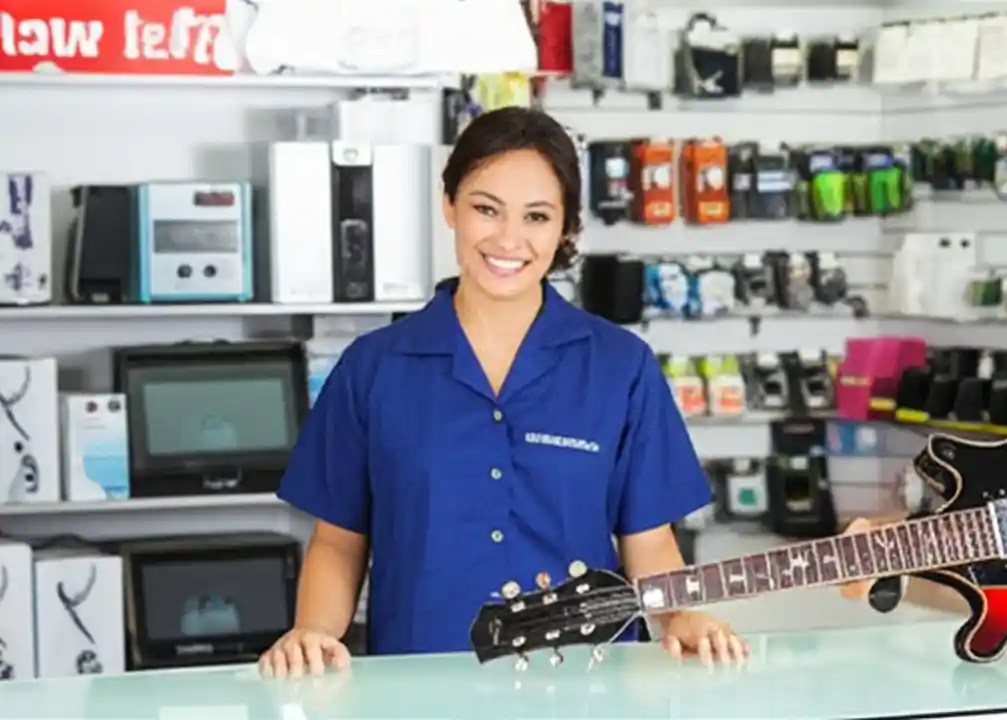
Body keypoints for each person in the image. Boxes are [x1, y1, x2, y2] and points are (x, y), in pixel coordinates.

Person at [259, 106, 750, 678]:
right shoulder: (373, 368)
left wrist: (680, 615)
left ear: (566, 227)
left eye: (537, 216)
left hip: (588, 689)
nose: (509, 239)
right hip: (421, 687)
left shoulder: (622, 367)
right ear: (449, 205)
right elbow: (339, 542)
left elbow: (649, 541)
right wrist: (314, 634)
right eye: (486, 209)